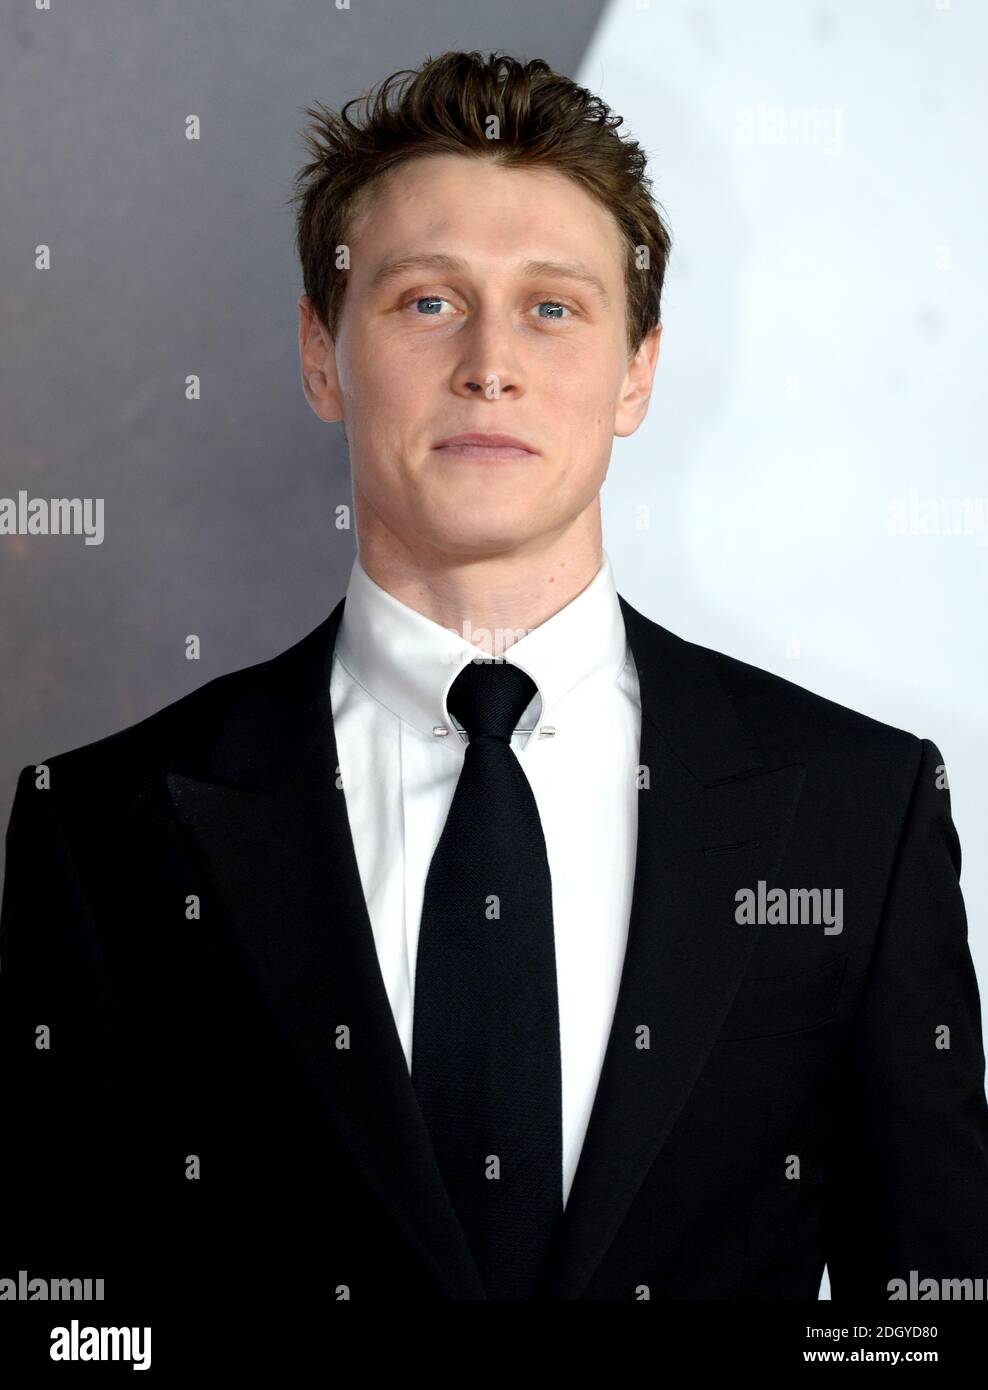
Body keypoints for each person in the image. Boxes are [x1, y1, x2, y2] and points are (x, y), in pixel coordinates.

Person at [2, 50, 986, 1306]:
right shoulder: (104, 825)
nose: (488, 364)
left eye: (553, 307)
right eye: (424, 301)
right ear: (320, 352)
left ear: (637, 370)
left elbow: (936, 1318)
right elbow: (57, 1332)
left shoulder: (862, 807)